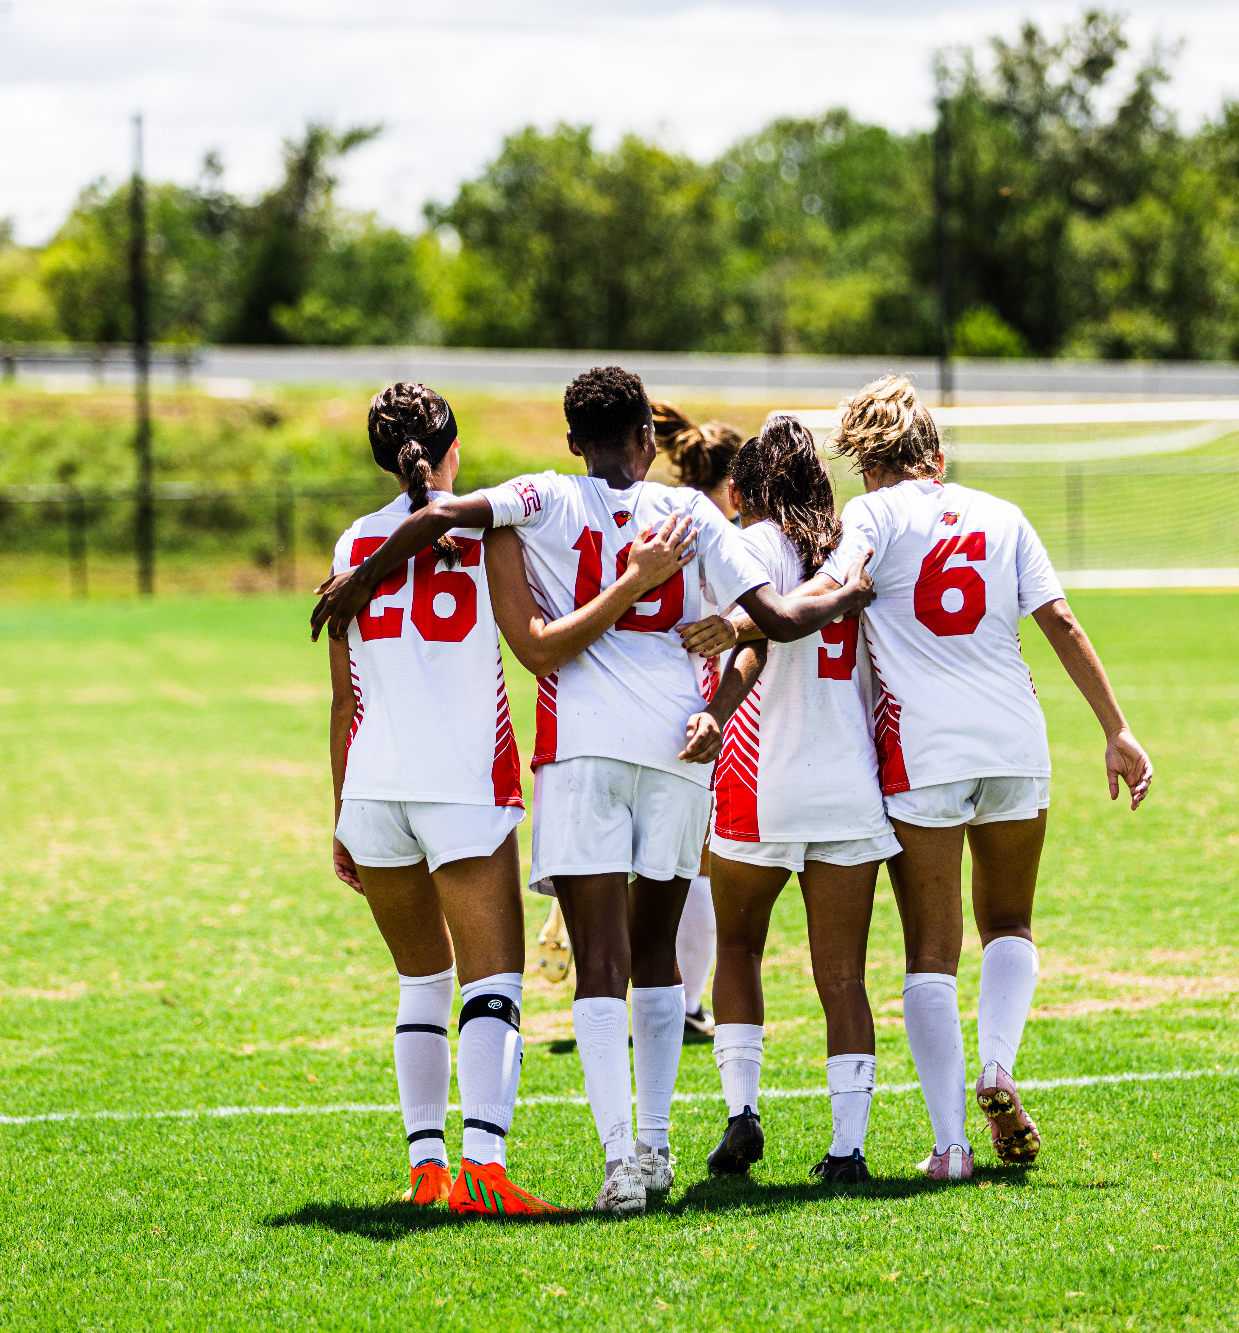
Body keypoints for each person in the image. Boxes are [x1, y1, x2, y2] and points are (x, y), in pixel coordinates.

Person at [312, 366, 874, 1215]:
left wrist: (359, 580)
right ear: (649, 437)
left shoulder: (529, 501)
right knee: (650, 962)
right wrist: (846, 591)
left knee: (578, 965)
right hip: (670, 747)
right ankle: (639, 1148)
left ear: (572, 441)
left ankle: (608, 1159)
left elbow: (434, 534)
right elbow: (777, 624)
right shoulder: (690, 515)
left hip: (558, 754)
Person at [315, 380, 697, 1216]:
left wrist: (341, 812)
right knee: (494, 982)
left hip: (374, 786)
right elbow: (533, 640)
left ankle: (425, 1170)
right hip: (464, 783)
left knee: (422, 981)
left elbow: (344, 699)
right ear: (453, 449)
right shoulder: (491, 528)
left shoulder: (351, 544)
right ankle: (483, 1171)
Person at [810, 374, 1153, 1181]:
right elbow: (1060, 620)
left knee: (931, 952)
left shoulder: (869, 514)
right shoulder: (1004, 514)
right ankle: (998, 1064)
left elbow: (831, 591)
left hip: (923, 753)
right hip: (1014, 743)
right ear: (935, 453)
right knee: (1010, 922)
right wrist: (1117, 728)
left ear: (870, 462)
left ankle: (951, 1146)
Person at [674, 415, 896, 1186]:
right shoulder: (857, 545)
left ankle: (742, 1112)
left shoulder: (753, 541)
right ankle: (848, 1147)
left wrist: (718, 706)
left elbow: (754, 636)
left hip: (759, 782)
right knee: (845, 976)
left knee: (739, 947)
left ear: (750, 484)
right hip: (846, 782)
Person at [652, 400, 747, 1041]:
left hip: (632, 699)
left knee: (652, 864)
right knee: (701, 863)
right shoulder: (724, 534)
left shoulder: (649, 518)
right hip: (703, 706)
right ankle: (685, 1004)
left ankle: (654, 998)